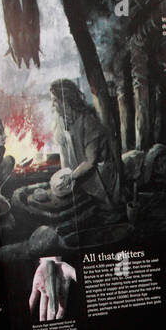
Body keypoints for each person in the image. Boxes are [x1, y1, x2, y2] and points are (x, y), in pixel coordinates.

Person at [49, 79, 124, 224]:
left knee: (104, 212)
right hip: (77, 172)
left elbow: (91, 161)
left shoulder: (88, 121)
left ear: (66, 101)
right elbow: (63, 149)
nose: (52, 105)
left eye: (55, 100)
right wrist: (65, 174)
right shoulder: (60, 119)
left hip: (99, 174)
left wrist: (71, 177)